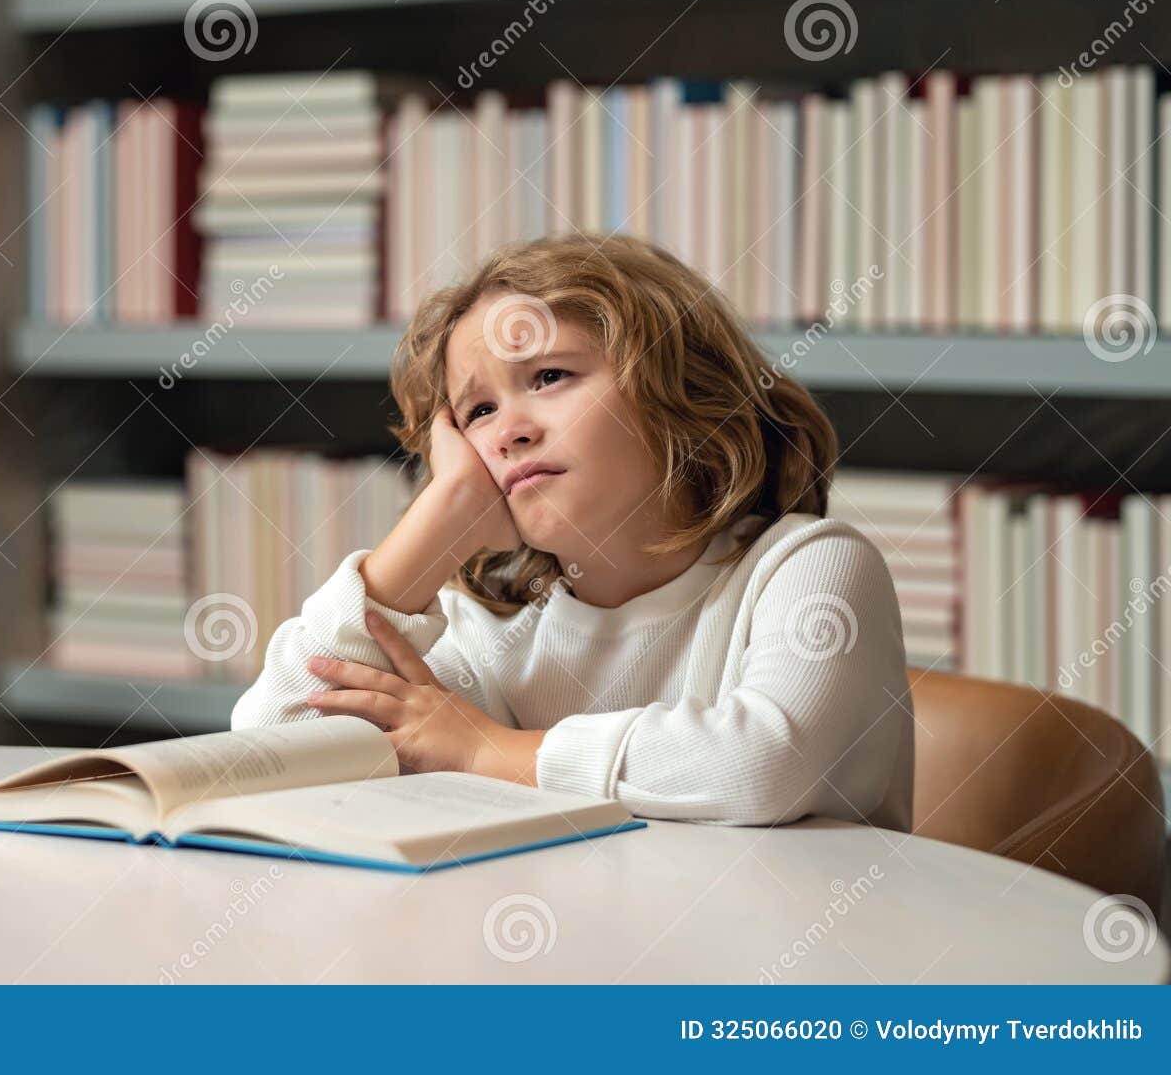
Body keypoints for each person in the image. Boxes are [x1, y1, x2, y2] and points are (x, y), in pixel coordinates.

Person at [230, 232, 913, 830]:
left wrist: (487, 750)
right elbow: (272, 747)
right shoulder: (495, 635)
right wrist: (443, 515)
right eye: (478, 412)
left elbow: (764, 765)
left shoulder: (809, 566)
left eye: (550, 376)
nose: (509, 431)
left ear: (682, 389)